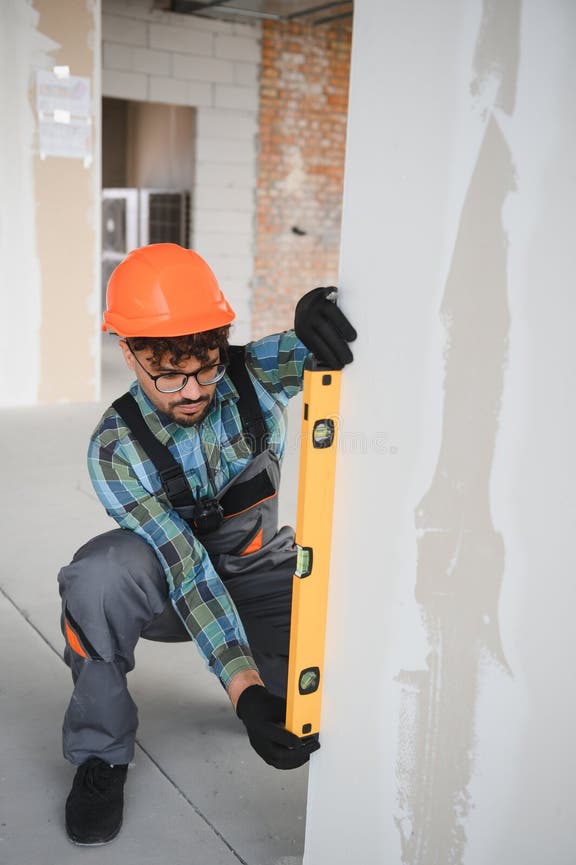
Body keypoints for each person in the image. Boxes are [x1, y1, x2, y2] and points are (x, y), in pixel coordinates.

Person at [58, 242, 356, 846]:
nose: (193, 390)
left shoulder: (250, 375)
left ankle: (273, 679)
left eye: (206, 366)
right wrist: (242, 693)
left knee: (341, 640)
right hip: (170, 588)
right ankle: (101, 755)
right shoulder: (115, 448)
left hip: (258, 570)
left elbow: (328, 342)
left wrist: (325, 310)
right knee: (98, 578)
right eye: (168, 373)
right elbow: (189, 571)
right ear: (129, 353)